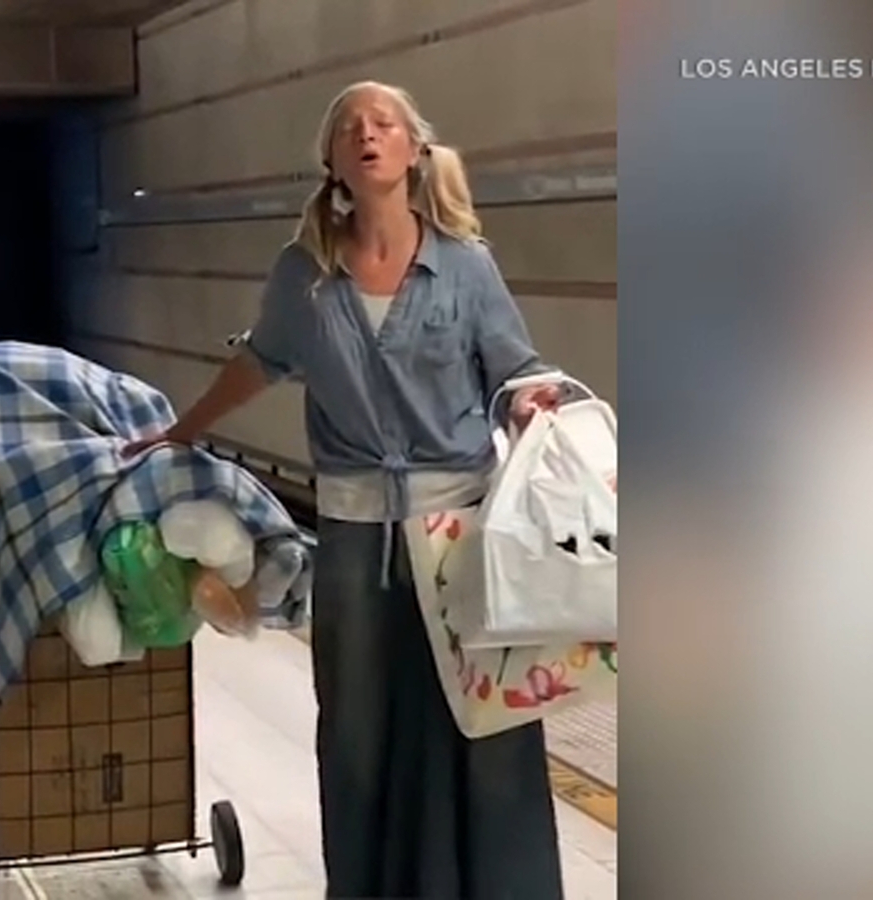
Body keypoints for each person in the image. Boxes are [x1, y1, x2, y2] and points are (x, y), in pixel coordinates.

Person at [123, 81, 565, 899]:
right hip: (358, 542)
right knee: (360, 732)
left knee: (484, 722)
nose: (367, 133)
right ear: (331, 161)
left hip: (461, 533)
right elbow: (259, 362)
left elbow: (513, 367)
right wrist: (177, 432)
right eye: (349, 128)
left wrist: (531, 394)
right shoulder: (305, 277)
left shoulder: (465, 266)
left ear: (412, 151)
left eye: (384, 122)